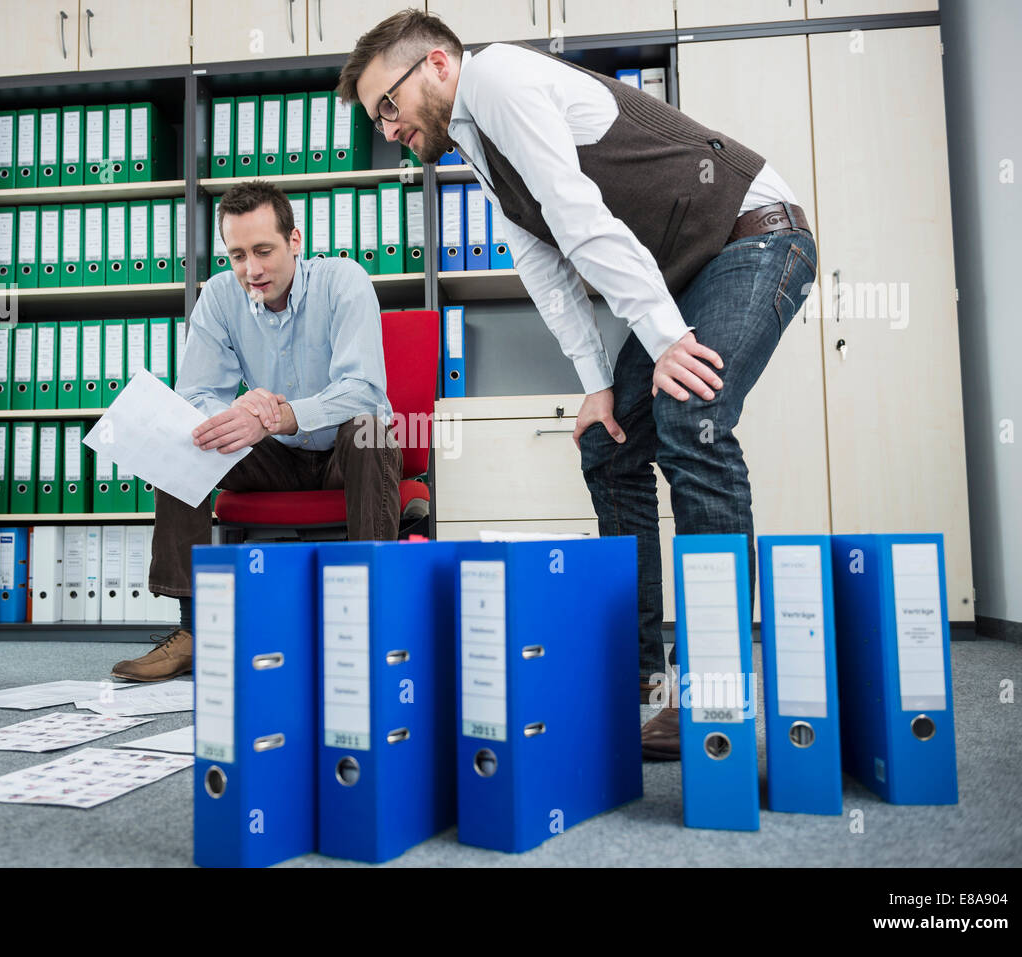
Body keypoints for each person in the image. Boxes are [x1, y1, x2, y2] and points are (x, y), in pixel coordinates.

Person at [338, 11, 817, 759]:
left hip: (756, 236)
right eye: (377, 120)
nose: (388, 128)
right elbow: (546, 267)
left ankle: (716, 689)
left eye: (388, 106)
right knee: (610, 441)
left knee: (690, 416)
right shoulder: (477, 142)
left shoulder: (496, 78)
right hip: (691, 274)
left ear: (436, 63)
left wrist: (663, 342)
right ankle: (640, 687)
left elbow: (578, 213)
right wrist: (597, 384)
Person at [110, 180, 404, 682]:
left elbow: (364, 391)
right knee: (184, 434)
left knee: (367, 429)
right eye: (238, 255)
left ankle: (371, 618)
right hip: (275, 458)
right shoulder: (222, 296)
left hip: (343, 452)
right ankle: (193, 630)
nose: (252, 270)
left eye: (263, 250)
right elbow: (196, 395)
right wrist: (240, 410)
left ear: (294, 240)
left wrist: (277, 415)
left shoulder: (343, 281)